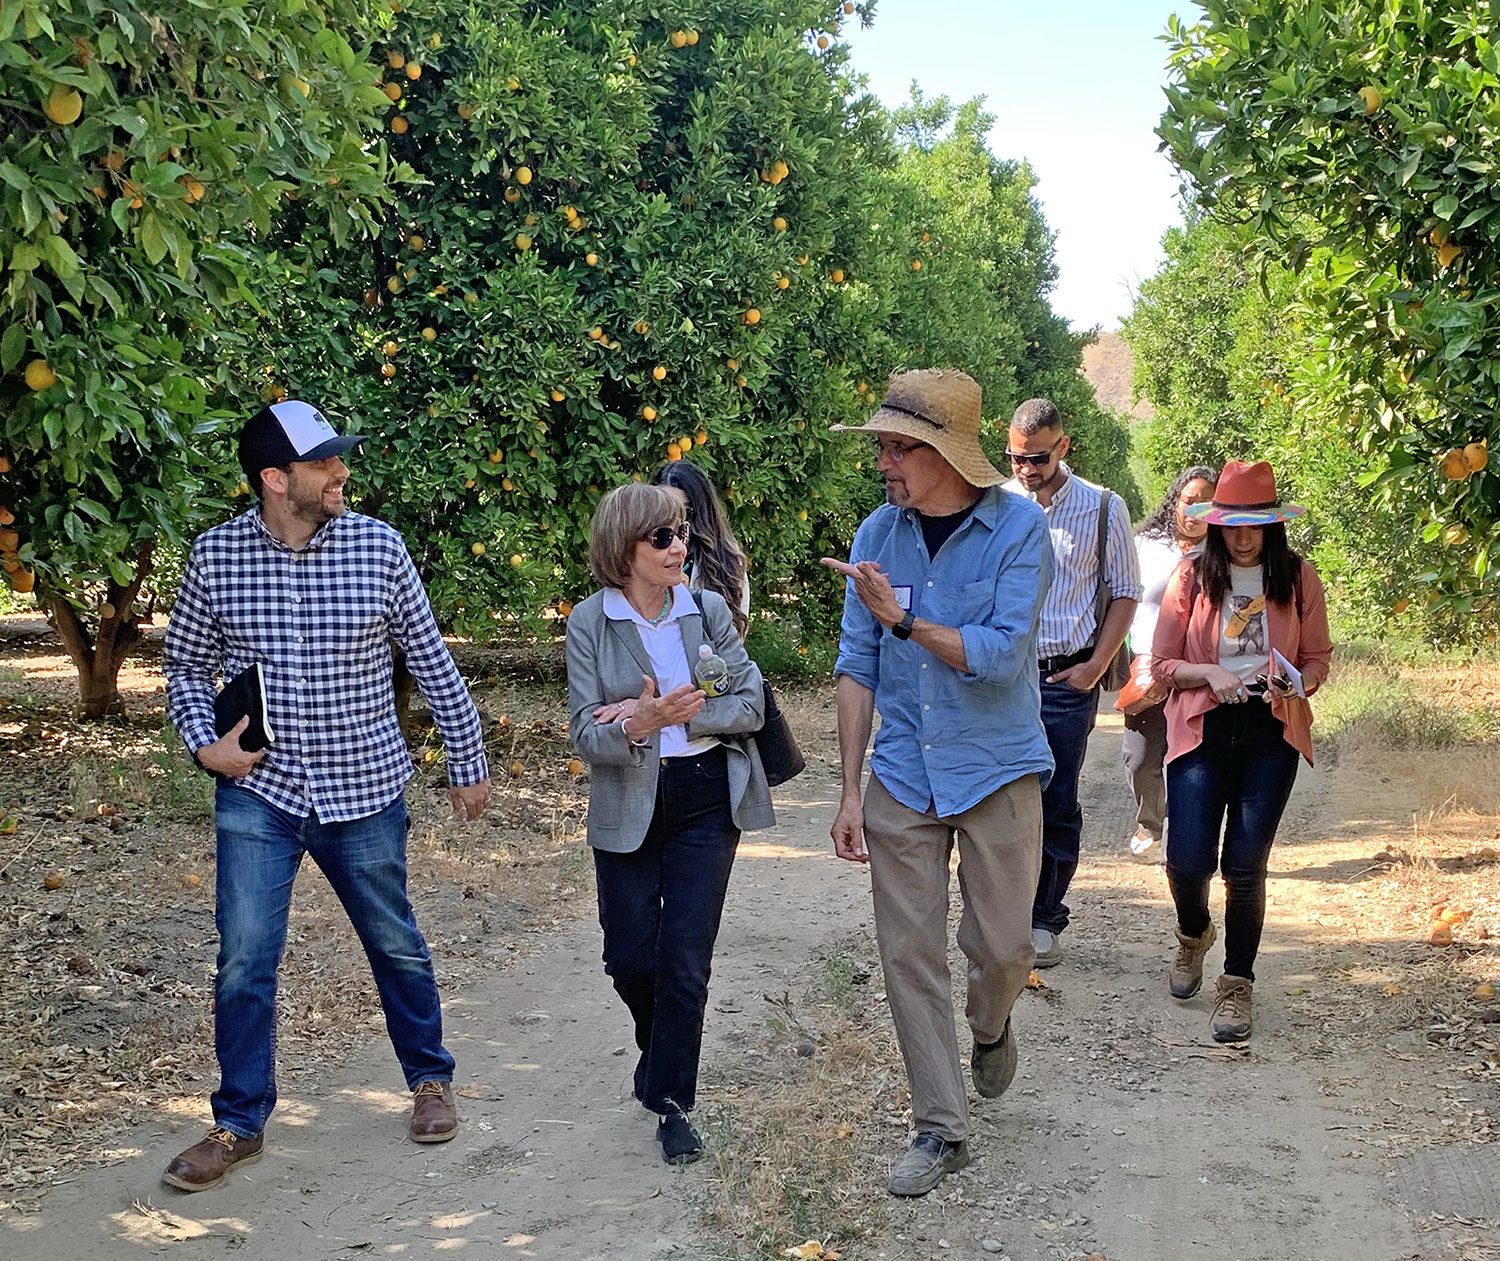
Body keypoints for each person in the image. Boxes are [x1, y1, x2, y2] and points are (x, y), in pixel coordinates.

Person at [161, 400, 491, 1192]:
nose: (342, 471)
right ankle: (239, 1122)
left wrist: (467, 757)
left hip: (364, 787)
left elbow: (430, 658)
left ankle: (429, 1079)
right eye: (324, 462)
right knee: (244, 958)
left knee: (395, 941)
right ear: (277, 480)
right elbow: (182, 666)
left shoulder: (378, 548)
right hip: (261, 792)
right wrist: (205, 744)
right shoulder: (216, 558)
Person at [824, 368, 1053, 1198]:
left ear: (941, 453)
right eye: (882, 446)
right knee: (907, 951)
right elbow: (856, 665)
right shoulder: (874, 535)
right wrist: (850, 789)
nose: (882, 461)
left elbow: (997, 657)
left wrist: (906, 621)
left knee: (1003, 947)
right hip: (904, 772)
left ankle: (990, 1026)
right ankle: (940, 1125)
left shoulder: (1020, 531)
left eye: (895, 447)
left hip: (995, 767)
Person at [565, 482, 773, 1165]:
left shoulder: (706, 610)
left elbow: (750, 705)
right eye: (663, 537)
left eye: (682, 533)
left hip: (705, 797)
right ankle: (659, 1052)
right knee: (628, 957)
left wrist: (682, 716)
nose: (680, 546)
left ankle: (673, 1103)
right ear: (623, 548)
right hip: (629, 798)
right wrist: (637, 723)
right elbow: (583, 734)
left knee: (685, 961)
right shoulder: (589, 622)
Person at [1150, 460, 1333, 1042]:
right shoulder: (1189, 579)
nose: (1245, 536)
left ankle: (1236, 985)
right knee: (1186, 859)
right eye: (1234, 525)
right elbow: (1159, 666)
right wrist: (1208, 672)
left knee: (1245, 865)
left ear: (1273, 526)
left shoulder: (1299, 579)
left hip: (1269, 734)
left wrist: (1297, 683)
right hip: (1203, 728)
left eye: (1257, 524)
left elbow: (1318, 660)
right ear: (1218, 526)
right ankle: (1192, 933)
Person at [1004, 400, 1141, 966]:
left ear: (1063, 448)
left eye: (1036, 458)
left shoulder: (1103, 507)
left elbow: (1125, 592)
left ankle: (1044, 919)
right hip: (1003, 677)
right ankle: (1002, 914)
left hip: (1065, 677)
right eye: (1015, 458)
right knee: (999, 797)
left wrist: (1094, 666)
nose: (1026, 469)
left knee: (1054, 797)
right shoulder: (996, 503)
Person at [1121, 467, 1217, 863]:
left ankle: (1187, 832)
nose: (1195, 511)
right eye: (1188, 501)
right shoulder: (1145, 545)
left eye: (1206, 502)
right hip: (1147, 668)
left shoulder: (1226, 551)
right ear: (1175, 503)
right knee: (1140, 758)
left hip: (1202, 672)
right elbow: (1120, 595)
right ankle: (1151, 822)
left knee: (1192, 756)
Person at [650, 459, 750, 636]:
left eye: (684, 511)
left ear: (700, 510)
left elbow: (732, 643)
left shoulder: (727, 562)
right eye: (664, 510)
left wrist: (687, 601)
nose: (674, 521)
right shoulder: (644, 552)